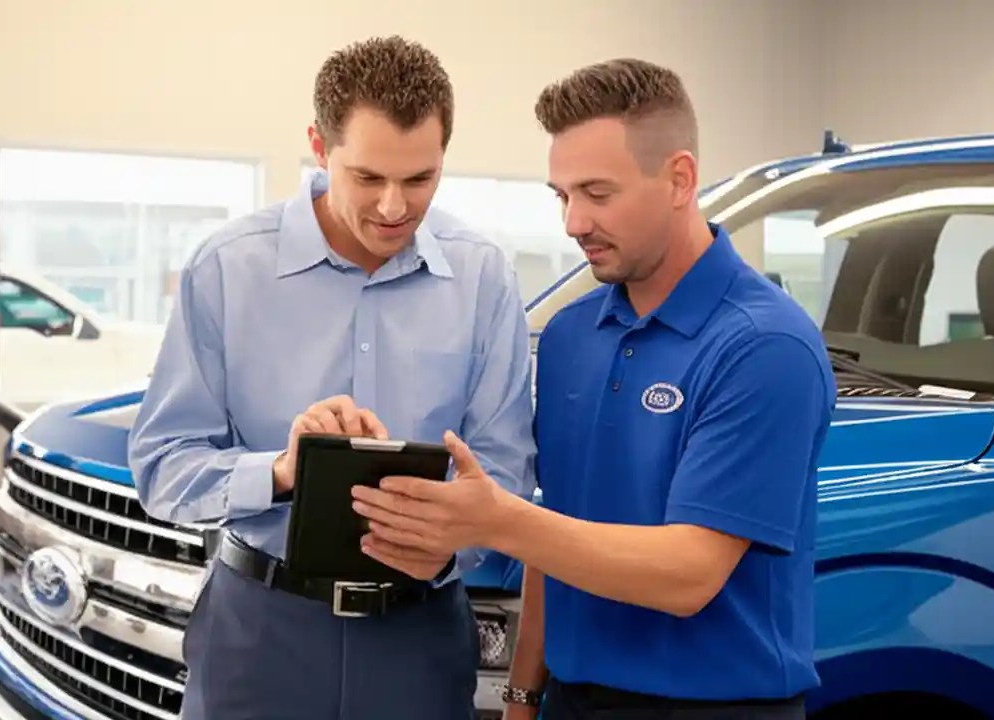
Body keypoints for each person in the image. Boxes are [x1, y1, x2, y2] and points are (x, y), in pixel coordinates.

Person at [352, 57, 836, 719]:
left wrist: (498, 519)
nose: (573, 222)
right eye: (562, 195)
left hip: (716, 708)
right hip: (572, 703)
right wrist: (524, 697)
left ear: (680, 179)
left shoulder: (764, 347)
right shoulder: (569, 338)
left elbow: (689, 575)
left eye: (598, 194)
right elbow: (558, 536)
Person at [128, 35, 537, 720]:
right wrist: (283, 470)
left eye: (420, 180)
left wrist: (441, 539)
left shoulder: (483, 277)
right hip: (259, 632)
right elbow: (162, 468)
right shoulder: (227, 269)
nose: (393, 208)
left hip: (420, 634)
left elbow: (505, 473)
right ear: (319, 147)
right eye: (369, 178)